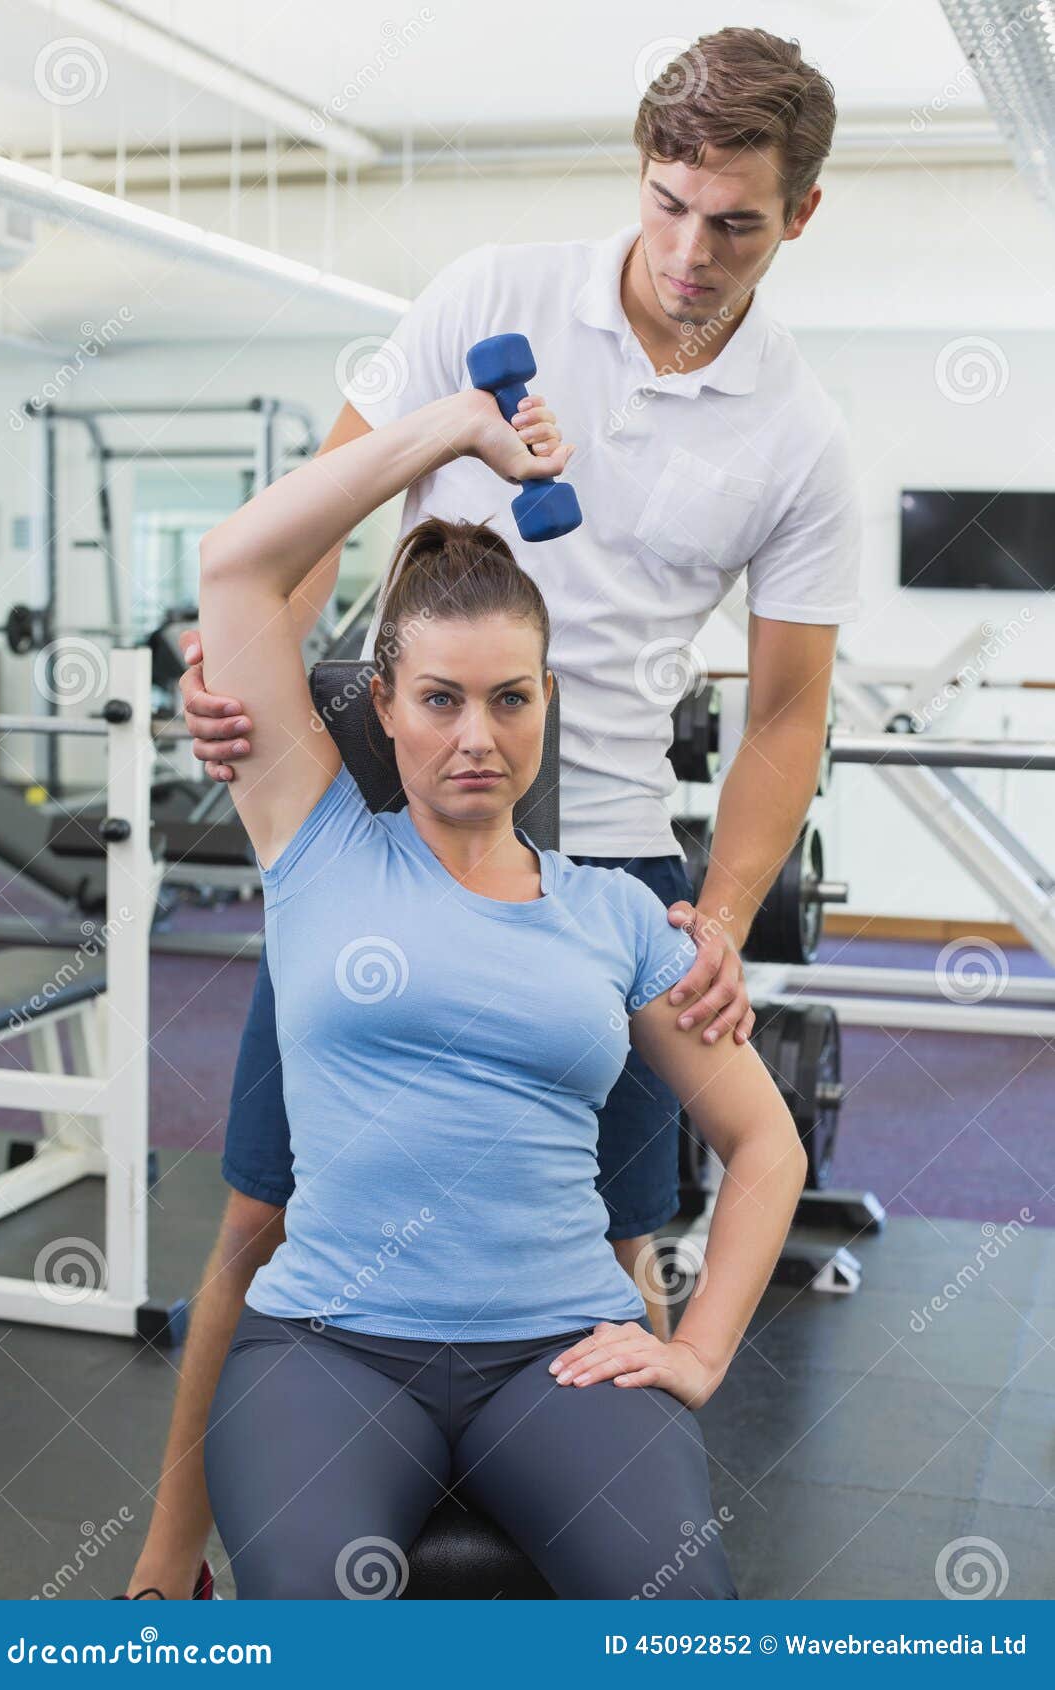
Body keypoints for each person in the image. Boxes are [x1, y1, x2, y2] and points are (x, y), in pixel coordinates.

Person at [126, 26, 859, 1597]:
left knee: (612, 1227)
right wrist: (243, 696)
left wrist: (719, 917)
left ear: (795, 217)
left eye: (731, 222)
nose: (684, 251)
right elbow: (290, 539)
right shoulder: (486, 297)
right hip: (379, 785)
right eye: (665, 204)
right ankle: (166, 1559)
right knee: (265, 1205)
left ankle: (599, 1476)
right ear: (638, 178)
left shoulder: (797, 435)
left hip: (598, 830)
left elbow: (785, 710)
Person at [194, 377, 807, 1599]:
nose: (477, 733)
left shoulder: (618, 914)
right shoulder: (314, 841)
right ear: (382, 704)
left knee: (680, 1619)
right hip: (329, 1346)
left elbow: (764, 1143)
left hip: (560, 1347)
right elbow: (236, 567)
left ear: (545, 703)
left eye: (509, 697)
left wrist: (694, 1351)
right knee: (315, 1620)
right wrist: (458, 433)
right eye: (439, 698)